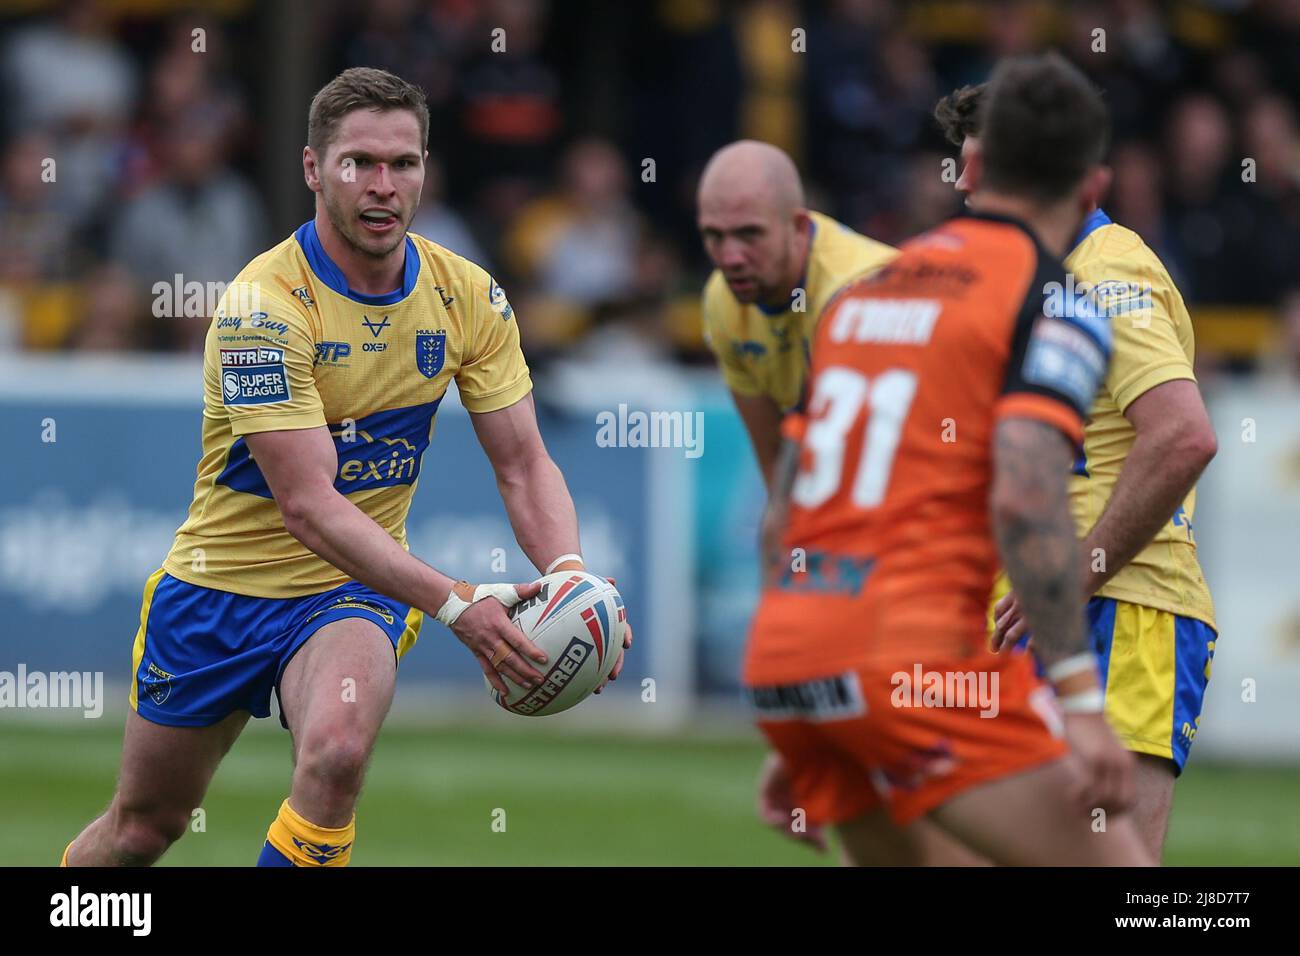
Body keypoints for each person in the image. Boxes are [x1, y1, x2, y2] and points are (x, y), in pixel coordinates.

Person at [60, 67, 630, 867]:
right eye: (358, 162)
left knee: (335, 752)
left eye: (403, 163)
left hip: (347, 591)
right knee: (143, 829)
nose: (382, 185)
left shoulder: (468, 296)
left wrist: (575, 580)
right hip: (220, 590)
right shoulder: (264, 306)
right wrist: (459, 606)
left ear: (426, 169)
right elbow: (307, 505)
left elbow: (525, 463)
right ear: (312, 169)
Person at [744, 52, 1152, 866]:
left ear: (976, 164)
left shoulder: (865, 293)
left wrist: (810, 713)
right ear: (1094, 188)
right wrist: (1077, 695)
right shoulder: (1051, 301)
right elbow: (1026, 497)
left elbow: (782, 519)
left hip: (792, 659)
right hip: (917, 666)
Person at [936, 80, 1218, 863]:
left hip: (1121, 610)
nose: (958, 183)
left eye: (979, 165)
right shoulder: (1020, 282)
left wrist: (1079, 568)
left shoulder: (1107, 270)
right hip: (1026, 610)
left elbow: (1183, 435)